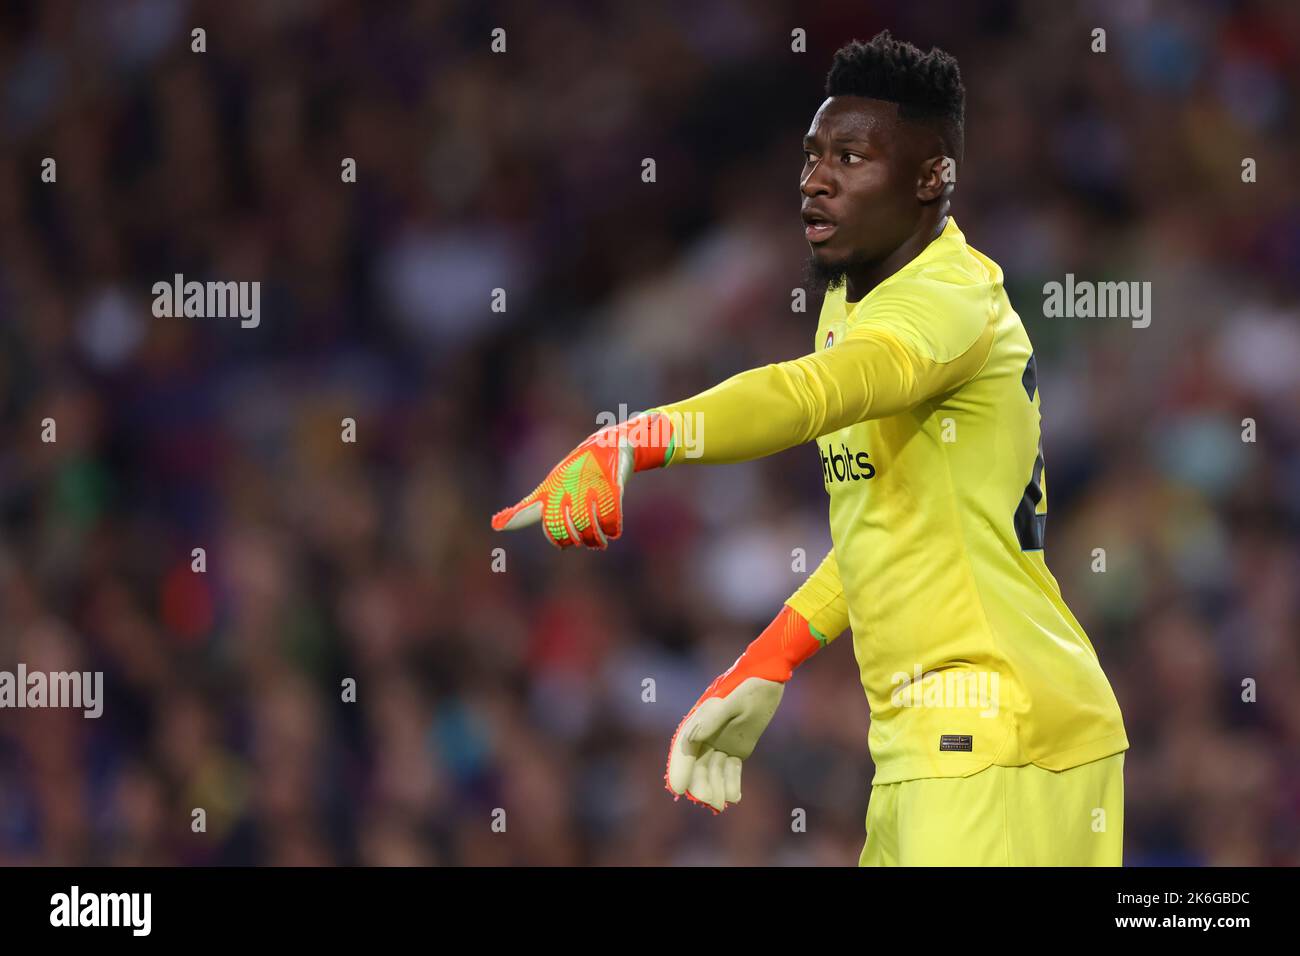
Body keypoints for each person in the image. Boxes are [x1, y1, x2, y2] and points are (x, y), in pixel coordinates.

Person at [492, 30, 1128, 866]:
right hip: (930, 742)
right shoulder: (854, 301)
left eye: (853, 156)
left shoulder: (948, 301)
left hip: (995, 727)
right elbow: (889, 528)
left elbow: (804, 395)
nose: (817, 178)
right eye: (812, 154)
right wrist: (770, 658)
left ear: (932, 176)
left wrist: (636, 438)